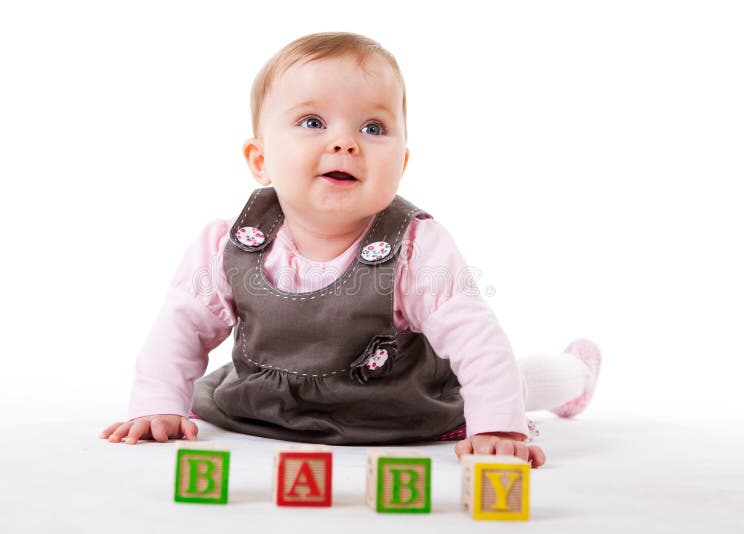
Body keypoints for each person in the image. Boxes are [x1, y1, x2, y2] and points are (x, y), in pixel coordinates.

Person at [100, 32, 601, 468]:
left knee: (508, 383)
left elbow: (475, 337)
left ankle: (572, 375)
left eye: (373, 128)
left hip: (404, 403)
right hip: (262, 404)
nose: (345, 143)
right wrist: (156, 403)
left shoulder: (415, 247)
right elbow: (180, 327)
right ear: (260, 158)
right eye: (313, 122)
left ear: (401, 163)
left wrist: (497, 427)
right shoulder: (229, 244)